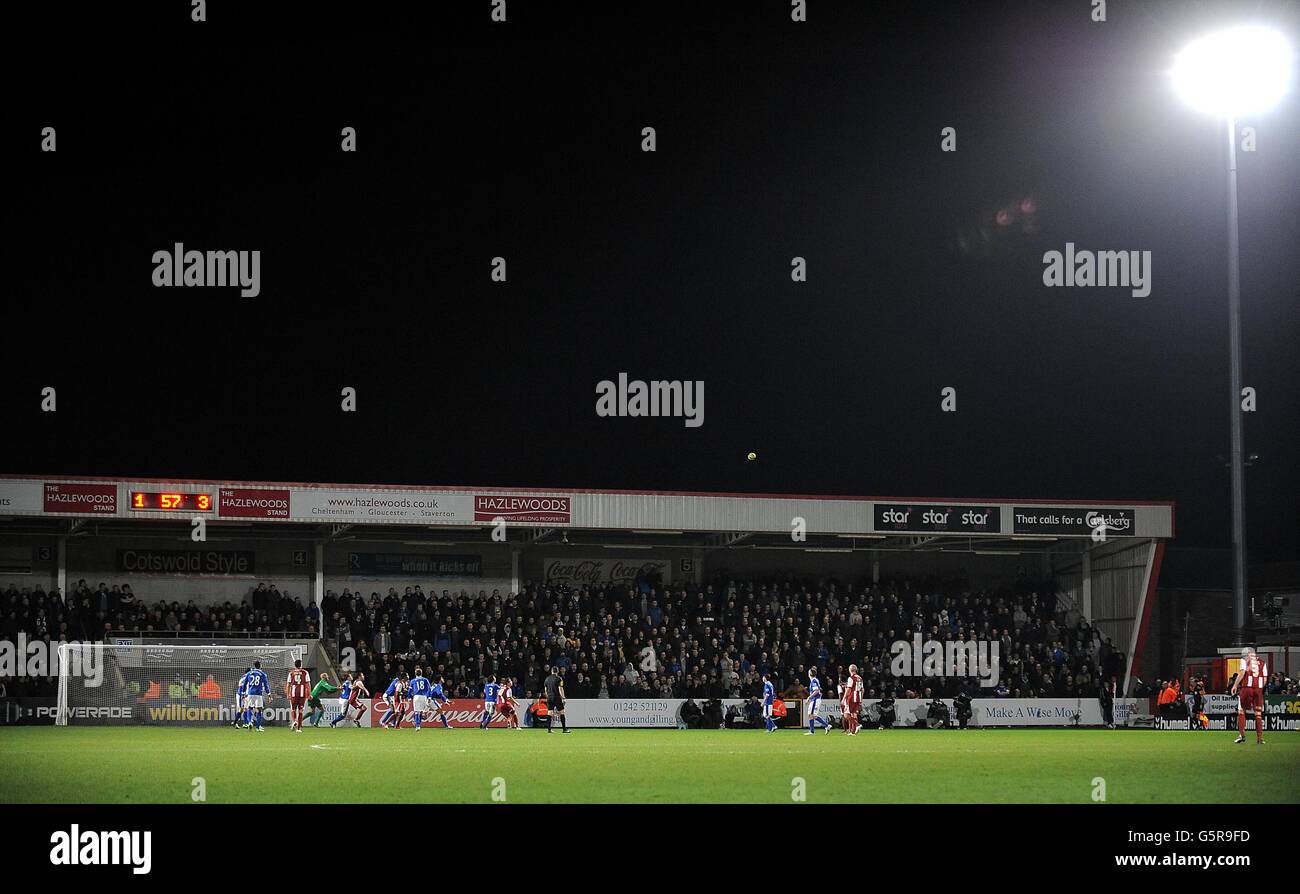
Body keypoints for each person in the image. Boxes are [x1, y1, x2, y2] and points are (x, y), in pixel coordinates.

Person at [1232, 647, 1267, 745]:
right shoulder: (1263, 662)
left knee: (1241, 711)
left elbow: (1242, 673)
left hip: (1247, 688)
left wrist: (1235, 685)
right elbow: (1265, 679)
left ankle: (1242, 736)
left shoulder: (1244, 660)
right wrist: (1259, 688)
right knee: (1258, 714)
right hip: (1258, 690)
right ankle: (1259, 739)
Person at [244, 661, 271, 732]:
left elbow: (245, 684)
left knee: (249, 708)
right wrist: (269, 694)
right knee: (259, 710)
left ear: (254, 666)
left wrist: (244, 693)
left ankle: (250, 722)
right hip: (258, 693)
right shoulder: (263, 674)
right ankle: (258, 727)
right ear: (260, 666)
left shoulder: (248, 673)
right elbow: (266, 685)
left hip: (250, 693)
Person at [286, 660, 311, 732]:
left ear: (295, 665)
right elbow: (308, 684)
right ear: (301, 664)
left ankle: (294, 721)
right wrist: (309, 694)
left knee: (293, 709)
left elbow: (288, 684)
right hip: (302, 694)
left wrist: (288, 694)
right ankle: (299, 728)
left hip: (294, 693)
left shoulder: (291, 673)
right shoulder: (305, 672)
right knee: (300, 711)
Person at [805, 668, 831, 735]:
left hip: (815, 699)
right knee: (811, 715)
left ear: (810, 674)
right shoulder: (815, 680)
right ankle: (826, 725)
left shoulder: (813, 681)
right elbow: (818, 689)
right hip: (815, 699)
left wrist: (809, 697)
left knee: (811, 715)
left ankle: (813, 731)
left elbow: (816, 691)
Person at [544, 667, 569, 733]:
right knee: (562, 712)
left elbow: (545, 690)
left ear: (551, 671)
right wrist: (563, 698)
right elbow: (560, 688)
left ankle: (549, 729)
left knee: (550, 713)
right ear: (557, 672)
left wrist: (548, 697)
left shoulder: (547, 679)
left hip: (549, 698)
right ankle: (564, 729)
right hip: (557, 697)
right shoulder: (559, 678)